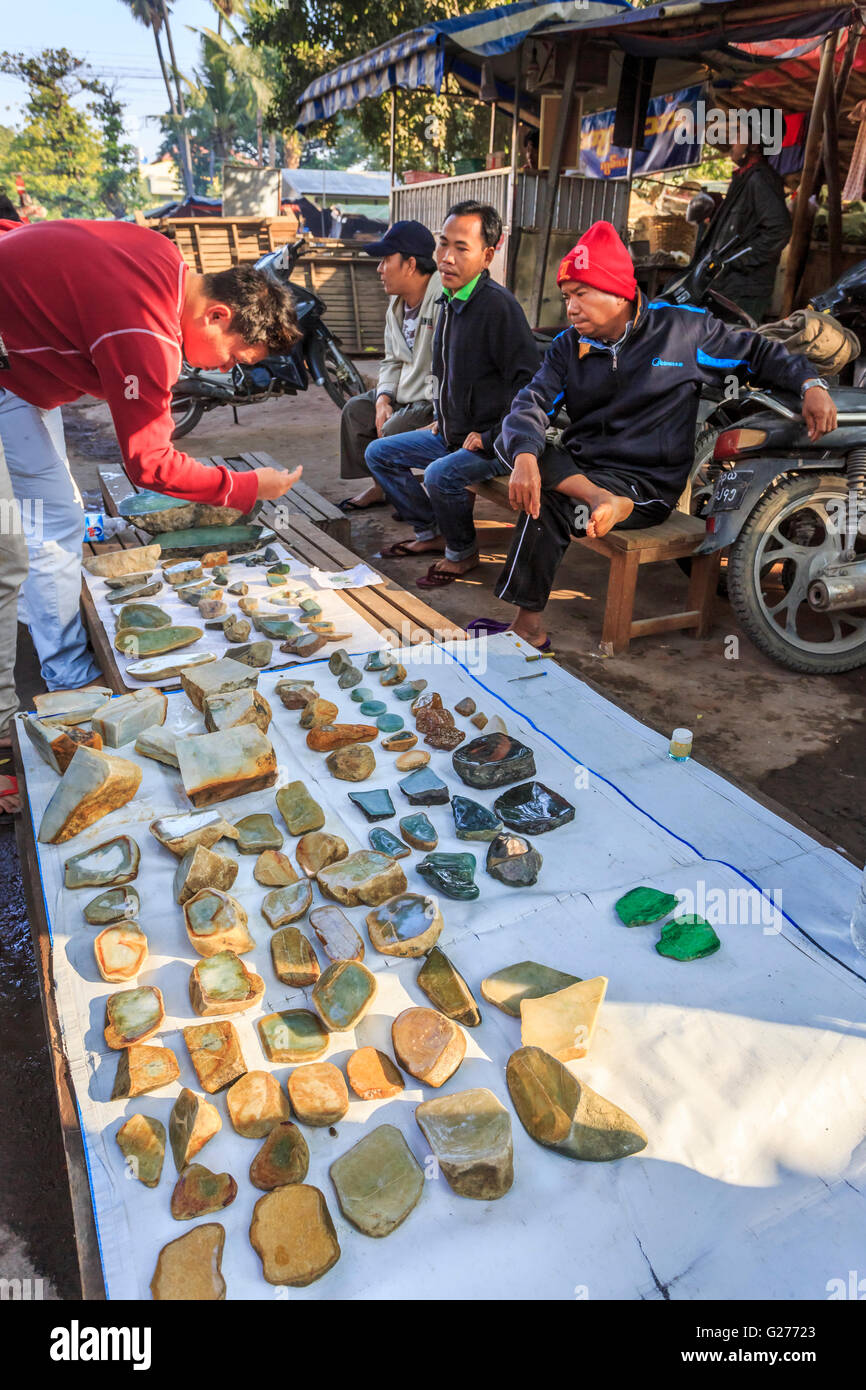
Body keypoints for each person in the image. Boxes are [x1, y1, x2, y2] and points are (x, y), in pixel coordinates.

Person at [477, 220, 835, 650]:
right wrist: (524, 458)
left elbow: (759, 351)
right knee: (517, 443)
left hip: (646, 485)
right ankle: (595, 501)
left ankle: (528, 627)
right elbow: (531, 402)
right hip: (584, 470)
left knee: (547, 500)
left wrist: (810, 385)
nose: (570, 308)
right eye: (567, 296)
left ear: (619, 292)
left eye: (582, 294)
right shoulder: (568, 346)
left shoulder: (683, 331)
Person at [0, 217, 302, 694]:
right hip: (8, 377)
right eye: (233, 357)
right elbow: (149, 464)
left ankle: (35, 611)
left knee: (36, 514)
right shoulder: (147, 333)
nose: (226, 368)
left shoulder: (163, 256)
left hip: (20, 363)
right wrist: (244, 486)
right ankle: (68, 675)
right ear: (217, 315)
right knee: (53, 524)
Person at [366, 200, 539, 589]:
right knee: (379, 453)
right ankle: (433, 532)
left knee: (440, 474)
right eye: (443, 244)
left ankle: (462, 552)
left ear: (487, 255)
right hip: (451, 433)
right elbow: (445, 374)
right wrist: (441, 418)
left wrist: (493, 435)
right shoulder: (449, 301)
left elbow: (530, 386)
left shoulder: (499, 308)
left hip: (496, 444)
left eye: (461, 248)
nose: (446, 257)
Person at [338, 220, 441, 511]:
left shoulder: (442, 299)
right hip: (403, 393)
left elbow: (452, 367)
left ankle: (416, 506)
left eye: (386, 260)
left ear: (410, 264)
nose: (379, 268)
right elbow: (391, 359)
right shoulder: (397, 304)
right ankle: (381, 487)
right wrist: (383, 397)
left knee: (393, 430)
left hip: (431, 400)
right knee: (356, 411)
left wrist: (441, 414)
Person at [695, 130, 791, 322]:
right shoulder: (745, 178)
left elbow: (779, 229)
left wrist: (736, 260)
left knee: (730, 340)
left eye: (739, 136)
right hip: (729, 287)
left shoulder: (760, 179)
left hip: (743, 290)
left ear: (754, 144)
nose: (733, 142)